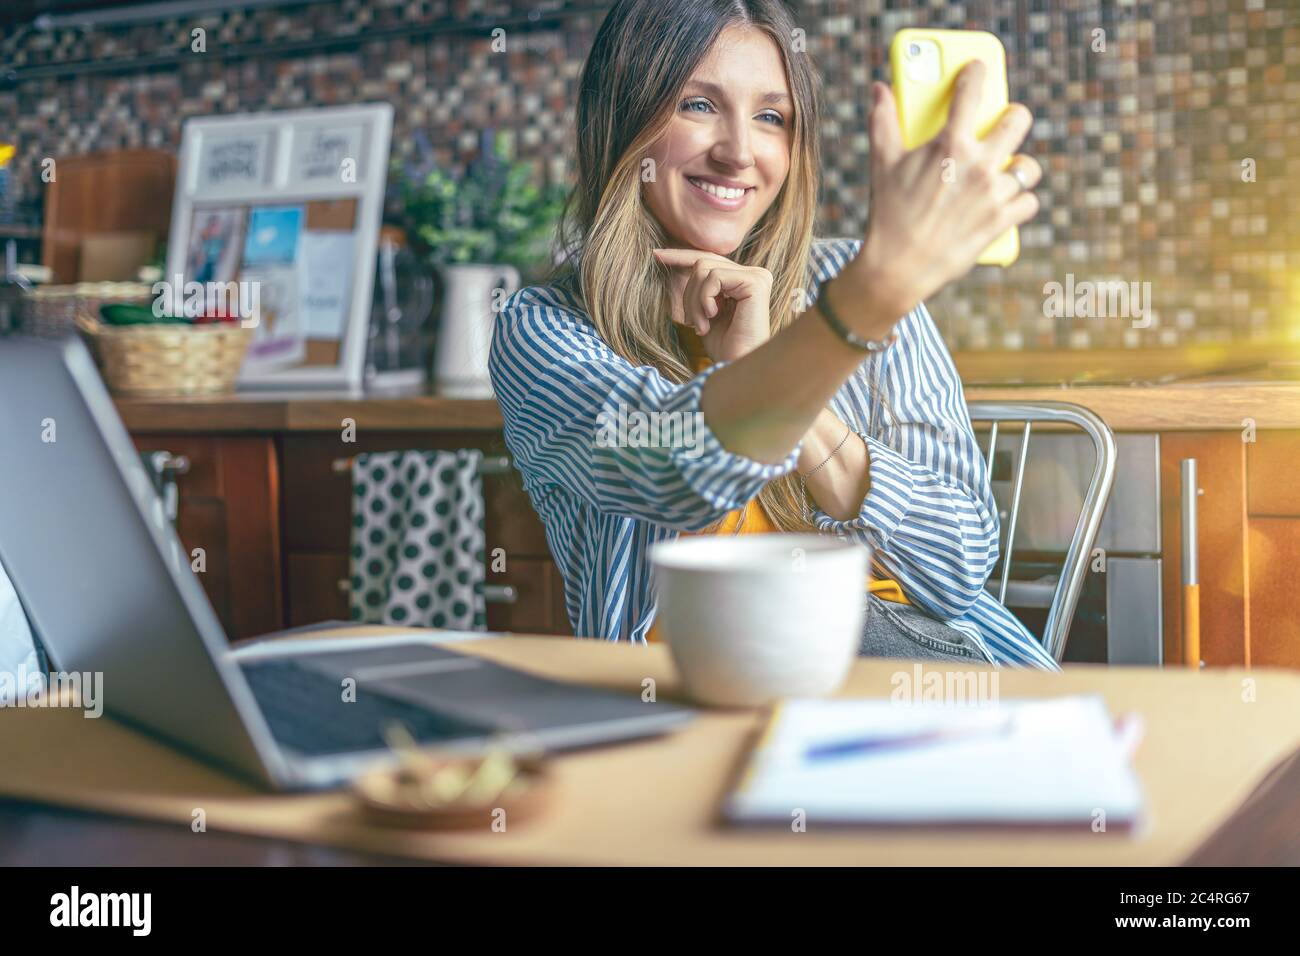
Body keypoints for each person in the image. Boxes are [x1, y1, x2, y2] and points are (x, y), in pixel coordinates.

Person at [489, 0, 1054, 667]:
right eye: (697, 105)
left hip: (908, 678)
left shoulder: (848, 277)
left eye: (770, 117)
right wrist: (862, 310)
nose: (737, 153)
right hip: (685, 700)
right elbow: (679, 471)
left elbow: (959, 566)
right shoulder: (543, 329)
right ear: (621, 121)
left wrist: (804, 346)